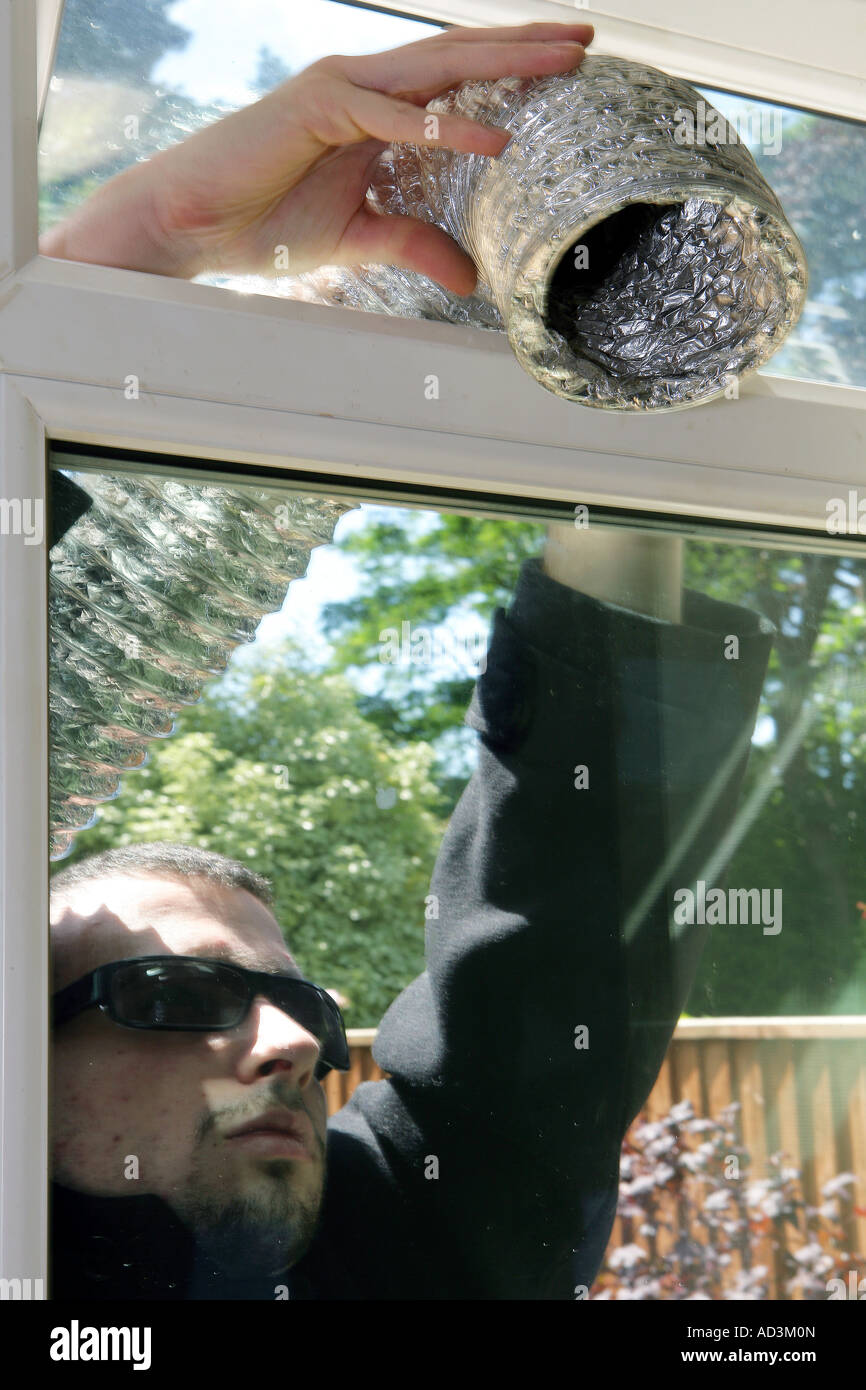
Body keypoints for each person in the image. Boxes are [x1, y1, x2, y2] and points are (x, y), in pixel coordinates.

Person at [44, 21, 775, 1299]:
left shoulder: (392, 1251)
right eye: (167, 994)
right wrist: (141, 240)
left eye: (311, 1011)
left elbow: (555, 942)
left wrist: (623, 373)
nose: (286, 1044)